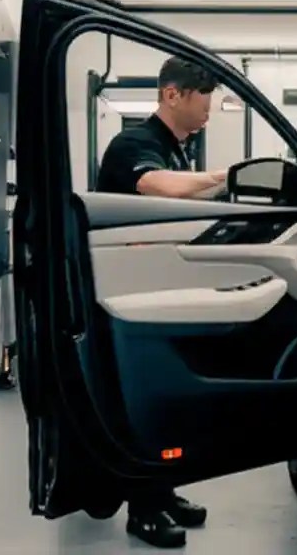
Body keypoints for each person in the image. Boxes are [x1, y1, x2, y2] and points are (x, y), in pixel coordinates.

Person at [94, 55, 222, 548]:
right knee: (141, 399)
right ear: (173, 95)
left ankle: (162, 491)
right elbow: (154, 185)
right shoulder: (135, 144)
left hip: (157, 289)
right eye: (204, 96)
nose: (210, 107)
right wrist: (222, 174)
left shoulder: (176, 148)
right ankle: (142, 509)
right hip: (126, 296)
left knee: (168, 402)